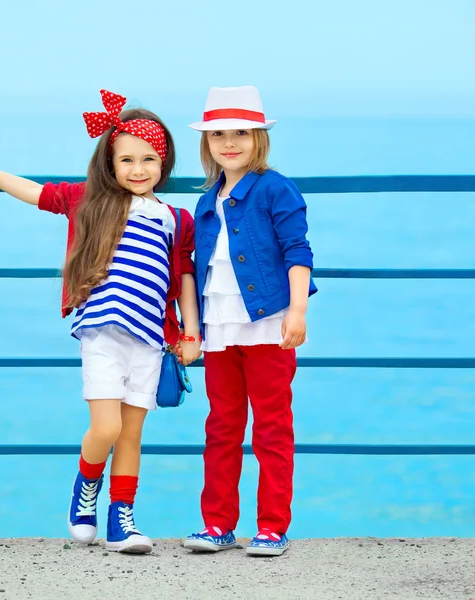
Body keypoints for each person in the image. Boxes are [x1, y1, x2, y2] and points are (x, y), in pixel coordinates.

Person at [0, 89, 201, 554]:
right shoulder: (89, 200)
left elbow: (184, 275)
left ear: (164, 163)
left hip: (151, 339)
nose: (138, 169)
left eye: (150, 159)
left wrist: (190, 332)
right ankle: (86, 486)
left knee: (132, 433)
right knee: (106, 428)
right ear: (109, 162)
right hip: (102, 332)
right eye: (127, 159)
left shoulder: (175, 218)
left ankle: (121, 519)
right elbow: (39, 193)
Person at [182, 86, 317, 557]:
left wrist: (298, 310)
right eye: (218, 134)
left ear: (259, 137)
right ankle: (217, 523)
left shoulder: (276, 188)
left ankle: (273, 526)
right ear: (207, 142)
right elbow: (198, 270)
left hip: (269, 325)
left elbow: (298, 251)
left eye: (241, 132)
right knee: (221, 426)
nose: (229, 142)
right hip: (219, 329)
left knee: (272, 427)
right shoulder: (207, 201)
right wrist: (192, 330)